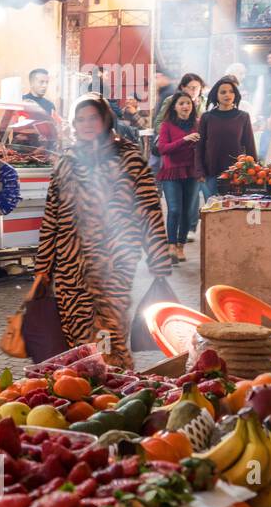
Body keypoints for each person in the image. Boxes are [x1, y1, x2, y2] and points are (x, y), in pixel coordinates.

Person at [34, 95, 171, 370]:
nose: (86, 124)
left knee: (110, 332)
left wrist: (159, 262)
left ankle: (116, 389)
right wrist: (43, 266)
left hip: (115, 262)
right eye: (80, 119)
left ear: (106, 120)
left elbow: (150, 212)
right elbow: (52, 216)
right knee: (75, 333)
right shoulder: (67, 161)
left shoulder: (130, 158)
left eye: (92, 118)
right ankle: (80, 389)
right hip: (69, 264)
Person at [156, 93, 202, 263]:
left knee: (187, 212)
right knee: (174, 210)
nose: (185, 106)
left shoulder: (198, 124)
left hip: (191, 173)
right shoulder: (167, 125)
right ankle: (171, 245)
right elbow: (163, 149)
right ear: (174, 106)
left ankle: (181, 246)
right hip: (172, 172)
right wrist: (184, 140)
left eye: (188, 103)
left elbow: (203, 148)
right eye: (181, 103)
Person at [197, 77, 257, 199]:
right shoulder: (206, 117)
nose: (227, 95)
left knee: (235, 210)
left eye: (231, 91)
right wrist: (199, 170)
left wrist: (254, 170)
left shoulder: (243, 117)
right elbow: (199, 146)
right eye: (223, 92)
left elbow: (250, 145)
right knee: (212, 210)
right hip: (211, 171)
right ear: (216, 95)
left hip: (237, 173)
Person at [0, 67, 58, 146]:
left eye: (47, 82)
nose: (45, 85)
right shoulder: (19, 101)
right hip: (19, 150)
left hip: (42, 152)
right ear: (32, 83)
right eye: (41, 82)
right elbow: (3, 128)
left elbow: (52, 132)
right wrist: (5, 150)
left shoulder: (50, 105)